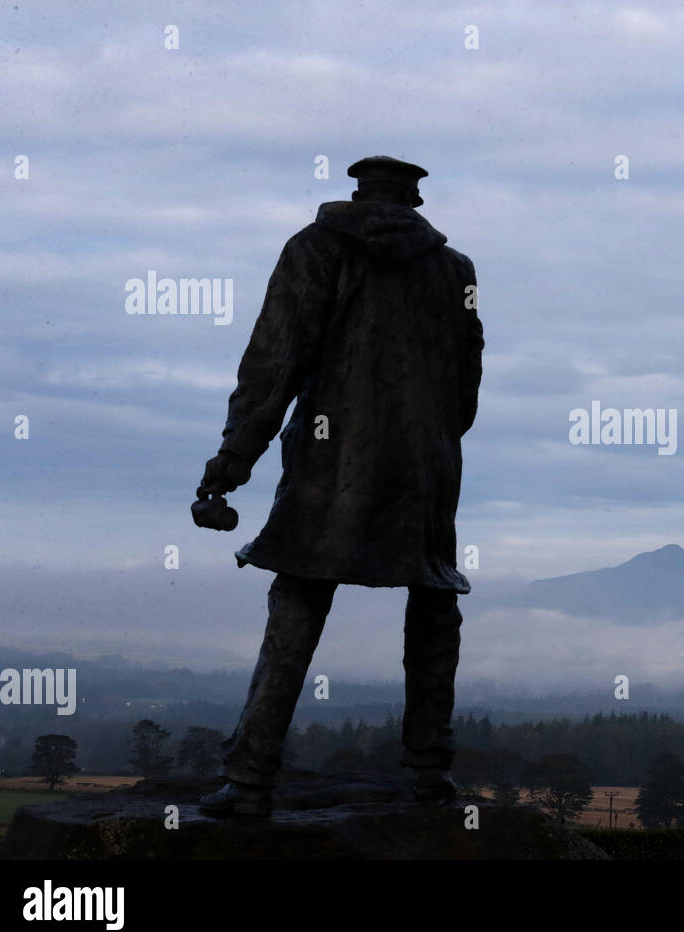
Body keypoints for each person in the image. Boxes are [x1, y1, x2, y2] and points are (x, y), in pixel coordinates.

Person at [195, 156, 483, 816]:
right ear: (413, 198)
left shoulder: (314, 249)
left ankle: (248, 781)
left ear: (357, 192)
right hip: (426, 467)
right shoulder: (454, 270)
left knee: (298, 600)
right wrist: (430, 438)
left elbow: (275, 363)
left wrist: (232, 461)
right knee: (434, 606)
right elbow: (465, 383)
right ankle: (431, 775)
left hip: (332, 460)